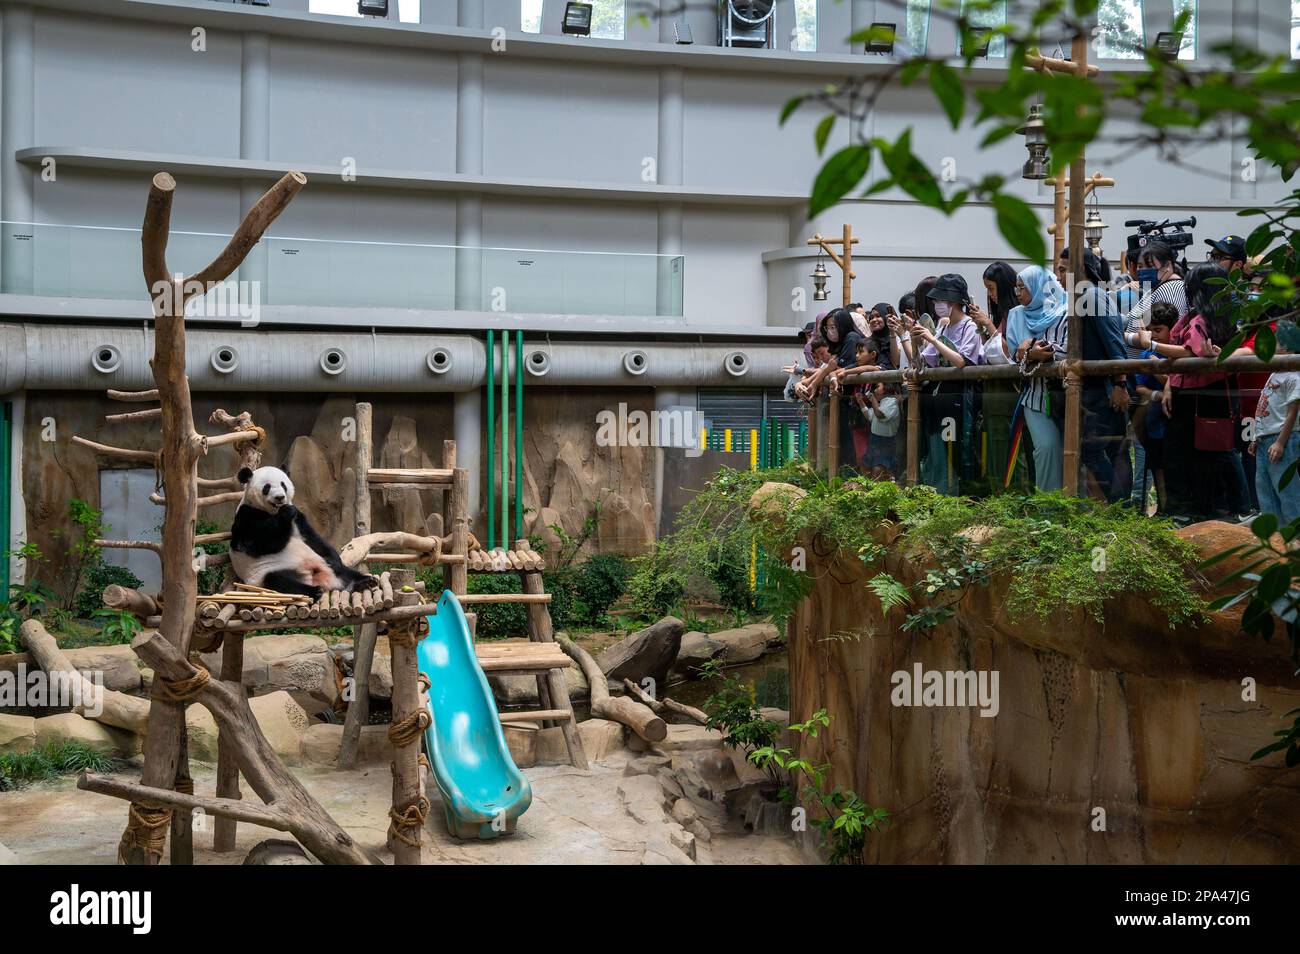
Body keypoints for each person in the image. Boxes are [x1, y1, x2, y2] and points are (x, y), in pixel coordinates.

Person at [1132, 262, 1250, 520]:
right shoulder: (1212, 317)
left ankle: (1193, 512)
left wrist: (1151, 345)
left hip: (1200, 397)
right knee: (1202, 455)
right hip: (1197, 393)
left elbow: (1189, 352)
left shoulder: (1201, 320)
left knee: (1194, 455)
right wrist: (1169, 383)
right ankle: (1208, 510)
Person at [900, 273, 986, 494]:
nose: (938, 305)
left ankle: (963, 498)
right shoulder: (942, 327)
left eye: (942, 301)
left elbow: (961, 361)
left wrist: (931, 339)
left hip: (961, 399)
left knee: (959, 452)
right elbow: (921, 363)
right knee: (939, 451)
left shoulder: (970, 327)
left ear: (955, 302)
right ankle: (940, 497)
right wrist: (915, 339)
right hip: (938, 400)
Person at [987, 264, 1069, 491]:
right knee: (1046, 448)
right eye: (1017, 288)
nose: (1018, 293)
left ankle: (1074, 506)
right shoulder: (1015, 315)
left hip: (1066, 394)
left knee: (1071, 450)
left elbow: (1067, 348)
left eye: (1023, 288)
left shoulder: (1064, 309)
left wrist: (1033, 351)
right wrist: (1026, 353)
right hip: (1034, 396)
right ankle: (1048, 508)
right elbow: (1015, 355)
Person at [1073, 248, 1132, 502]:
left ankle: (1122, 507)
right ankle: (1122, 508)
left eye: (1064, 268)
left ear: (1082, 269)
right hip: (1095, 388)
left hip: (1104, 387)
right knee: (1111, 449)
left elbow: (1114, 341)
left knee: (1097, 450)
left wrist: (1120, 383)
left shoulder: (1093, 295)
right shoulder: (1080, 296)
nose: (1059, 273)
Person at [971, 261, 1032, 491]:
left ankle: (1019, 500)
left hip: (1013, 393)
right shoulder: (1000, 315)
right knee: (996, 450)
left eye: (992, 288)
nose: (990, 294)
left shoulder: (1017, 314)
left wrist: (987, 324)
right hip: (995, 395)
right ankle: (1000, 498)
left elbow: (1012, 351)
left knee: (1015, 450)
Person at [1251, 326, 1300, 526]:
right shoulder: (1275, 373)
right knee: (1265, 491)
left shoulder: (1294, 375)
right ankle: (1277, 540)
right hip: (1266, 439)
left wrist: (1280, 442)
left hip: (1282, 439)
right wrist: (1256, 436)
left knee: (1286, 490)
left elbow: (1293, 411)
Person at [1133, 302, 1177, 514]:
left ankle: (1173, 508)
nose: (1153, 335)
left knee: (1173, 468)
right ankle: (1162, 509)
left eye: (1158, 330)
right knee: (1157, 468)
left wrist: (1155, 365)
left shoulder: (1176, 354)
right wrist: (1158, 395)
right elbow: (1139, 387)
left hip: (1174, 423)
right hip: (1153, 424)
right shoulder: (1144, 356)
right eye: (1149, 331)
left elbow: (1175, 382)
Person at [858, 382, 902, 477]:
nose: (874, 390)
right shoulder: (880, 403)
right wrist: (861, 402)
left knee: (878, 469)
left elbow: (880, 415)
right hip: (874, 440)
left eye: (878, 386)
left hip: (886, 442)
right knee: (866, 466)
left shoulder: (892, 402)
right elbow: (870, 416)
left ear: (886, 388)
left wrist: (873, 400)